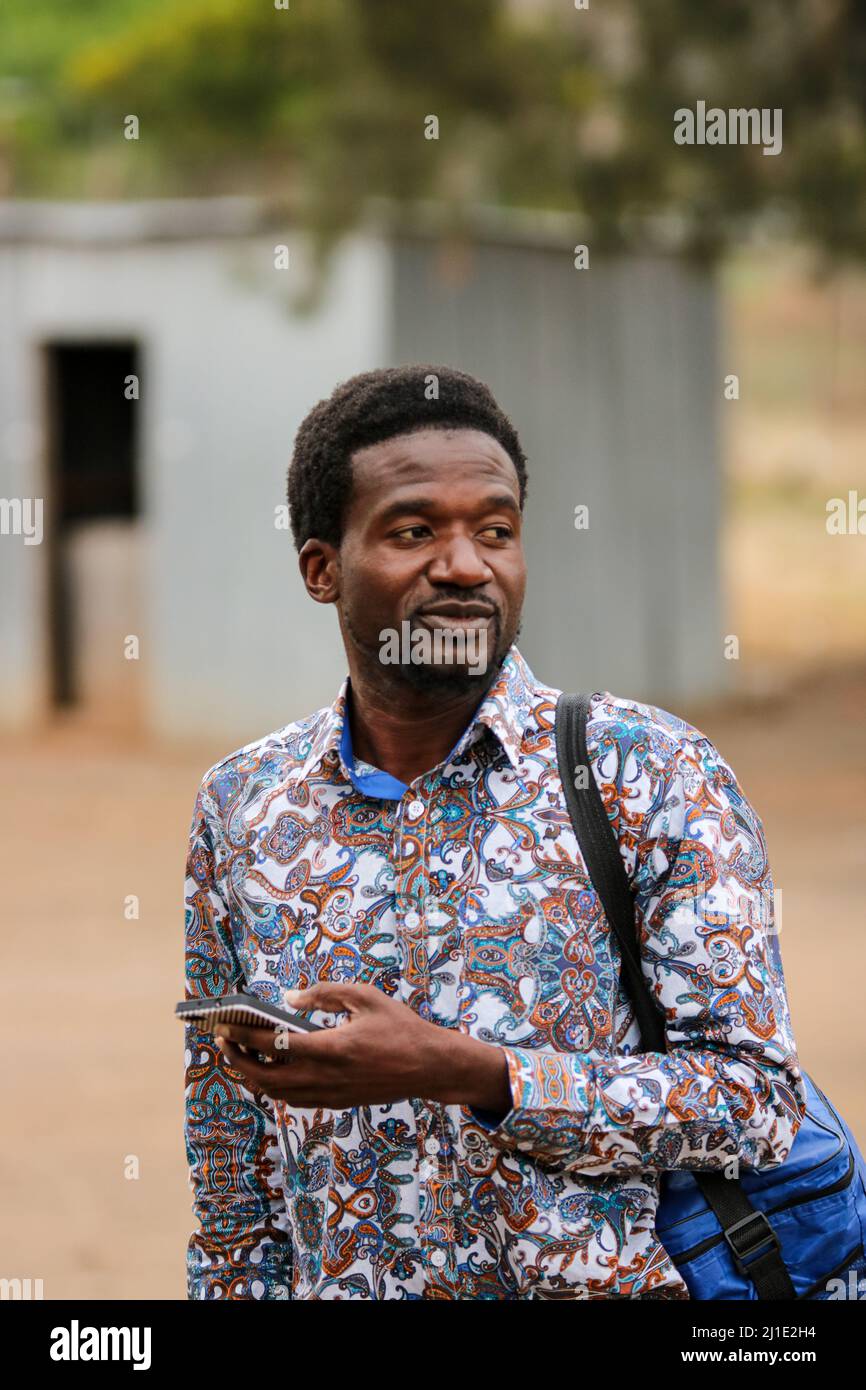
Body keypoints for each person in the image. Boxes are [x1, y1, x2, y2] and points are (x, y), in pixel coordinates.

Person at [183, 363, 807, 1300]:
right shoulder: (244, 806)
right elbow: (232, 1171)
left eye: (497, 529)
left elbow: (755, 1106)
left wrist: (476, 1075)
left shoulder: (648, 772)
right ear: (322, 569)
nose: (466, 564)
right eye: (413, 530)